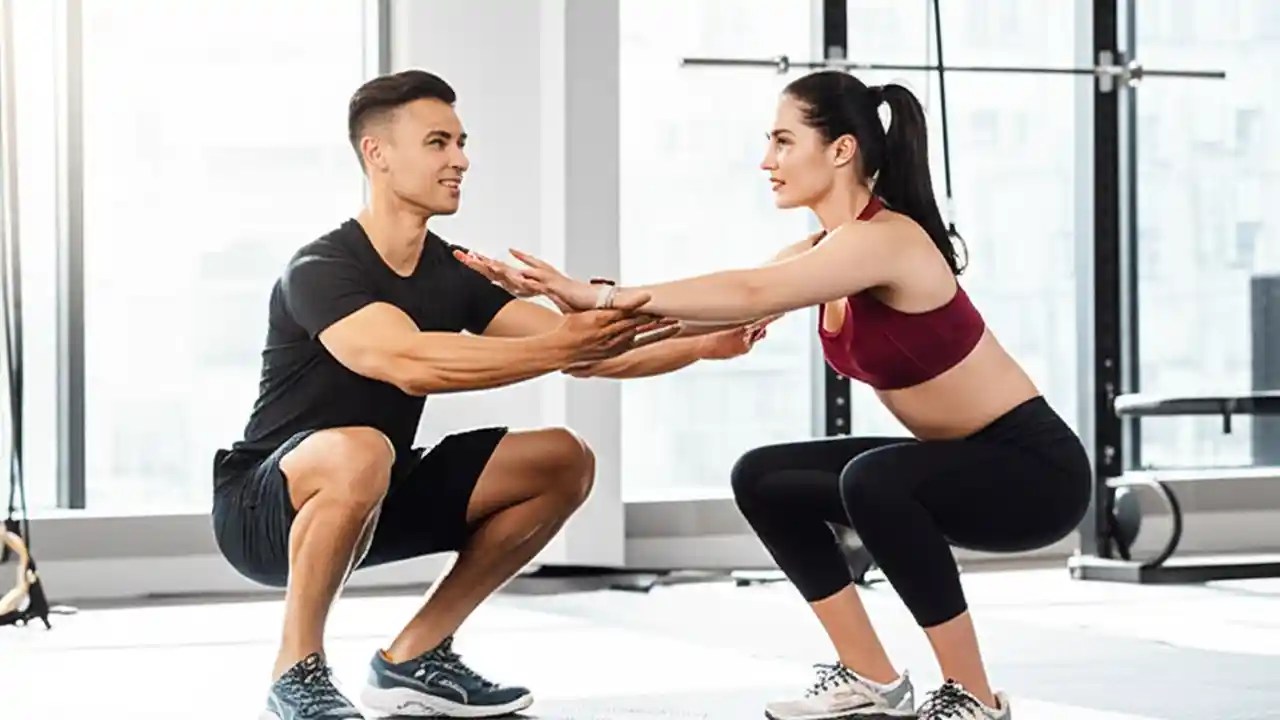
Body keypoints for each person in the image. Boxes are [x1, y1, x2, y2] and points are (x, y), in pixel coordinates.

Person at [482, 70, 1093, 720]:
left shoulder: (890, 240)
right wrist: (569, 333)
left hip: (1035, 474)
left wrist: (602, 293)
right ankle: (872, 677)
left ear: (840, 150)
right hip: (956, 465)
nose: (766, 161)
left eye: (782, 141)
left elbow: (750, 293)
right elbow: (691, 318)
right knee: (766, 476)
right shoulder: (816, 253)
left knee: (873, 480)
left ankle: (972, 694)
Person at [211, 69, 768, 720]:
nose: (461, 159)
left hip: (375, 488)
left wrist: (700, 341)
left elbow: (582, 349)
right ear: (377, 154)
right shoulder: (323, 269)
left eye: (461, 142)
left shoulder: (451, 270)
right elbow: (408, 362)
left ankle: (414, 659)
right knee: (360, 450)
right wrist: (560, 347)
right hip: (265, 506)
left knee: (563, 457)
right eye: (439, 143)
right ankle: (295, 674)